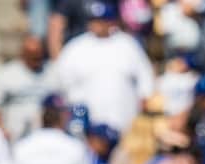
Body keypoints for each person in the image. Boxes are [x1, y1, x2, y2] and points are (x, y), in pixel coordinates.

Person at [53, 1, 155, 134]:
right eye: (93, 20)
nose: (97, 25)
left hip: (124, 120)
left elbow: (145, 76)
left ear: (111, 22)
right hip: (88, 126)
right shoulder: (75, 48)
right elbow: (61, 82)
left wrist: (145, 98)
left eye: (102, 20)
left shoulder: (127, 45)